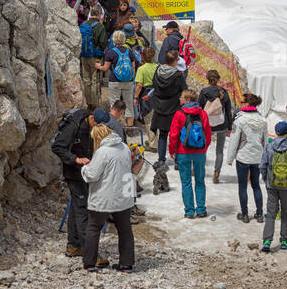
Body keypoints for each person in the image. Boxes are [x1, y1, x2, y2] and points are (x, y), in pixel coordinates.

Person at [81, 123, 136, 272]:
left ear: (97, 137)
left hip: (104, 198)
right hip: (124, 195)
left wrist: (85, 167)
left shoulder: (102, 152)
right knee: (125, 229)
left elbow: (92, 175)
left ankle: (90, 264)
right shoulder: (124, 147)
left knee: (93, 228)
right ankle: (126, 264)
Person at [51, 107, 101, 261]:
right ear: (91, 118)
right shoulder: (74, 125)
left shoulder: (88, 124)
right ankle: (90, 254)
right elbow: (57, 147)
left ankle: (73, 246)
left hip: (83, 172)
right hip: (74, 173)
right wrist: (75, 159)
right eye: (97, 125)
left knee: (75, 208)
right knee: (82, 210)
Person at [168, 88, 213, 218]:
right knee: (200, 180)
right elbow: (208, 133)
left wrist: (172, 150)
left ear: (187, 99)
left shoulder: (179, 114)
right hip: (199, 152)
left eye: (181, 97)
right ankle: (201, 209)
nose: (179, 99)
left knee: (186, 182)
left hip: (183, 151)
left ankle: (189, 211)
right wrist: (204, 148)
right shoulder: (203, 113)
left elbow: (174, 134)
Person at [225, 93, 266, 222]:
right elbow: (265, 141)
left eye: (242, 102)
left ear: (247, 104)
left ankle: (245, 214)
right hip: (257, 157)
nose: (240, 104)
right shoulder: (263, 120)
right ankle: (259, 213)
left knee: (242, 186)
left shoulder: (240, 120)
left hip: (243, 156)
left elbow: (234, 140)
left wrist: (230, 158)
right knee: (256, 186)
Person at [261, 120, 287, 251]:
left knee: (271, 213)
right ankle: (284, 240)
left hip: (272, 183)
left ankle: (267, 241)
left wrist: (265, 177)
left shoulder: (269, 146)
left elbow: (263, 164)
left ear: (276, 132)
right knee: (285, 213)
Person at [149, 50, 188, 163]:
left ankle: (161, 159)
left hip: (159, 107)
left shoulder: (158, 71)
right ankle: (177, 160)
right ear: (175, 61)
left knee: (162, 134)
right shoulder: (177, 75)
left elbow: (154, 85)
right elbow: (184, 90)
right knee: (176, 134)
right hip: (174, 107)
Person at [198, 70, 235, 185]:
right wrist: (229, 127)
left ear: (207, 79)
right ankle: (216, 173)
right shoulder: (223, 92)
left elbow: (199, 109)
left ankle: (200, 171)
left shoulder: (204, 92)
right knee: (219, 151)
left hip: (207, 124)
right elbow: (228, 111)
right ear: (219, 79)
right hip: (222, 124)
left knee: (203, 148)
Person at [100, 30, 137, 111]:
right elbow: (133, 67)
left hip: (115, 80)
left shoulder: (110, 52)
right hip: (128, 81)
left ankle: (115, 122)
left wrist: (98, 66)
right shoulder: (129, 51)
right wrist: (129, 76)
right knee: (129, 105)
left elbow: (105, 68)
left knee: (114, 104)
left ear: (114, 40)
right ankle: (130, 124)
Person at [132, 51, 158, 125]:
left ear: (142, 57)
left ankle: (143, 119)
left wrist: (135, 97)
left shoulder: (141, 69)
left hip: (145, 92)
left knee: (146, 110)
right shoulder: (157, 66)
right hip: (156, 91)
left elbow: (139, 85)